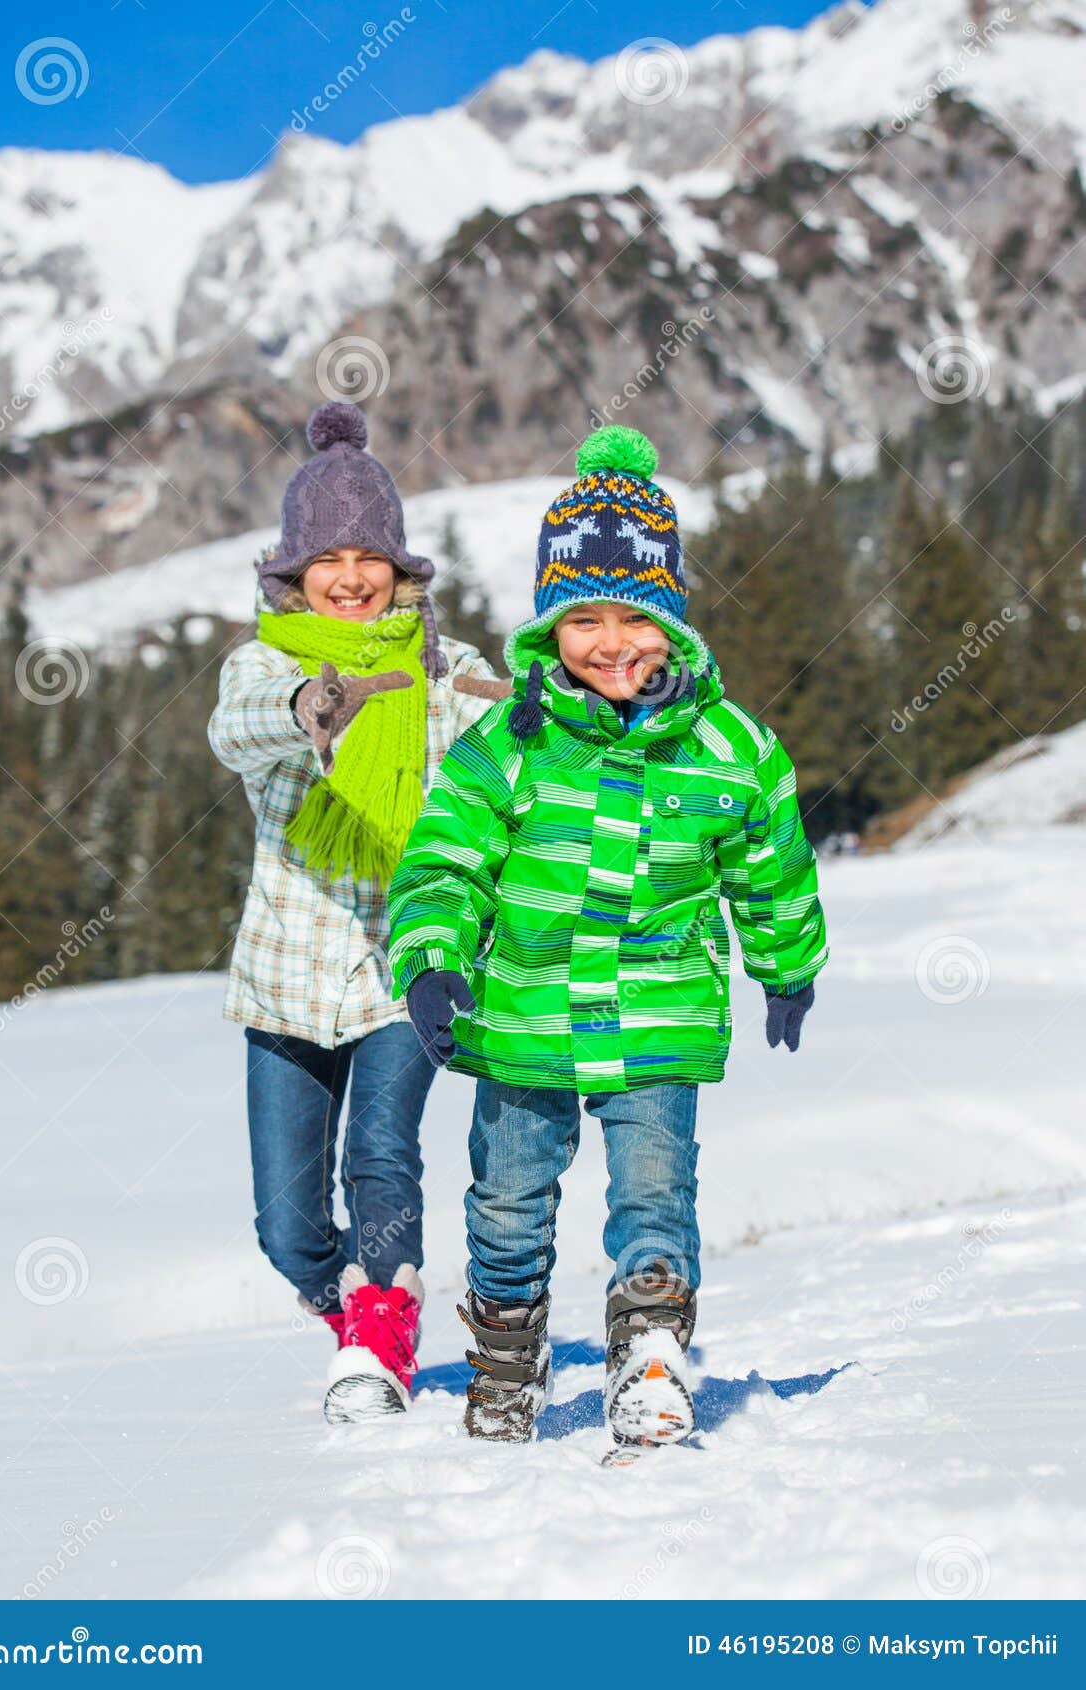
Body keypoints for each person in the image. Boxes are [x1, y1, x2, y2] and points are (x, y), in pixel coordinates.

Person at [386, 426, 828, 1455]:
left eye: (637, 613)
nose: (611, 640)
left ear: (673, 616)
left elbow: (771, 864)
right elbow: (446, 860)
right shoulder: (508, 743)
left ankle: (651, 1358)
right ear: (550, 623)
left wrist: (789, 964)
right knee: (505, 1200)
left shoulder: (732, 750)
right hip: (524, 1013)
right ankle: (506, 1354)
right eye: (583, 615)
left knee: (655, 1193)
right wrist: (433, 958)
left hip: (659, 1011)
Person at [207, 400, 496, 1424]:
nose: (350, 574)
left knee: (381, 1150)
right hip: (283, 978)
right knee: (286, 1224)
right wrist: (306, 710)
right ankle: (359, 1320)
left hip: (399, 966)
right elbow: (234, 726)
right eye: (325, 556)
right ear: (292, 574)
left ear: (397, 567)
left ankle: (382, 1318)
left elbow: (505, 727)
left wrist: (547, 709)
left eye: (368, 553)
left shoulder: (437, 665)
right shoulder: (267, 665)